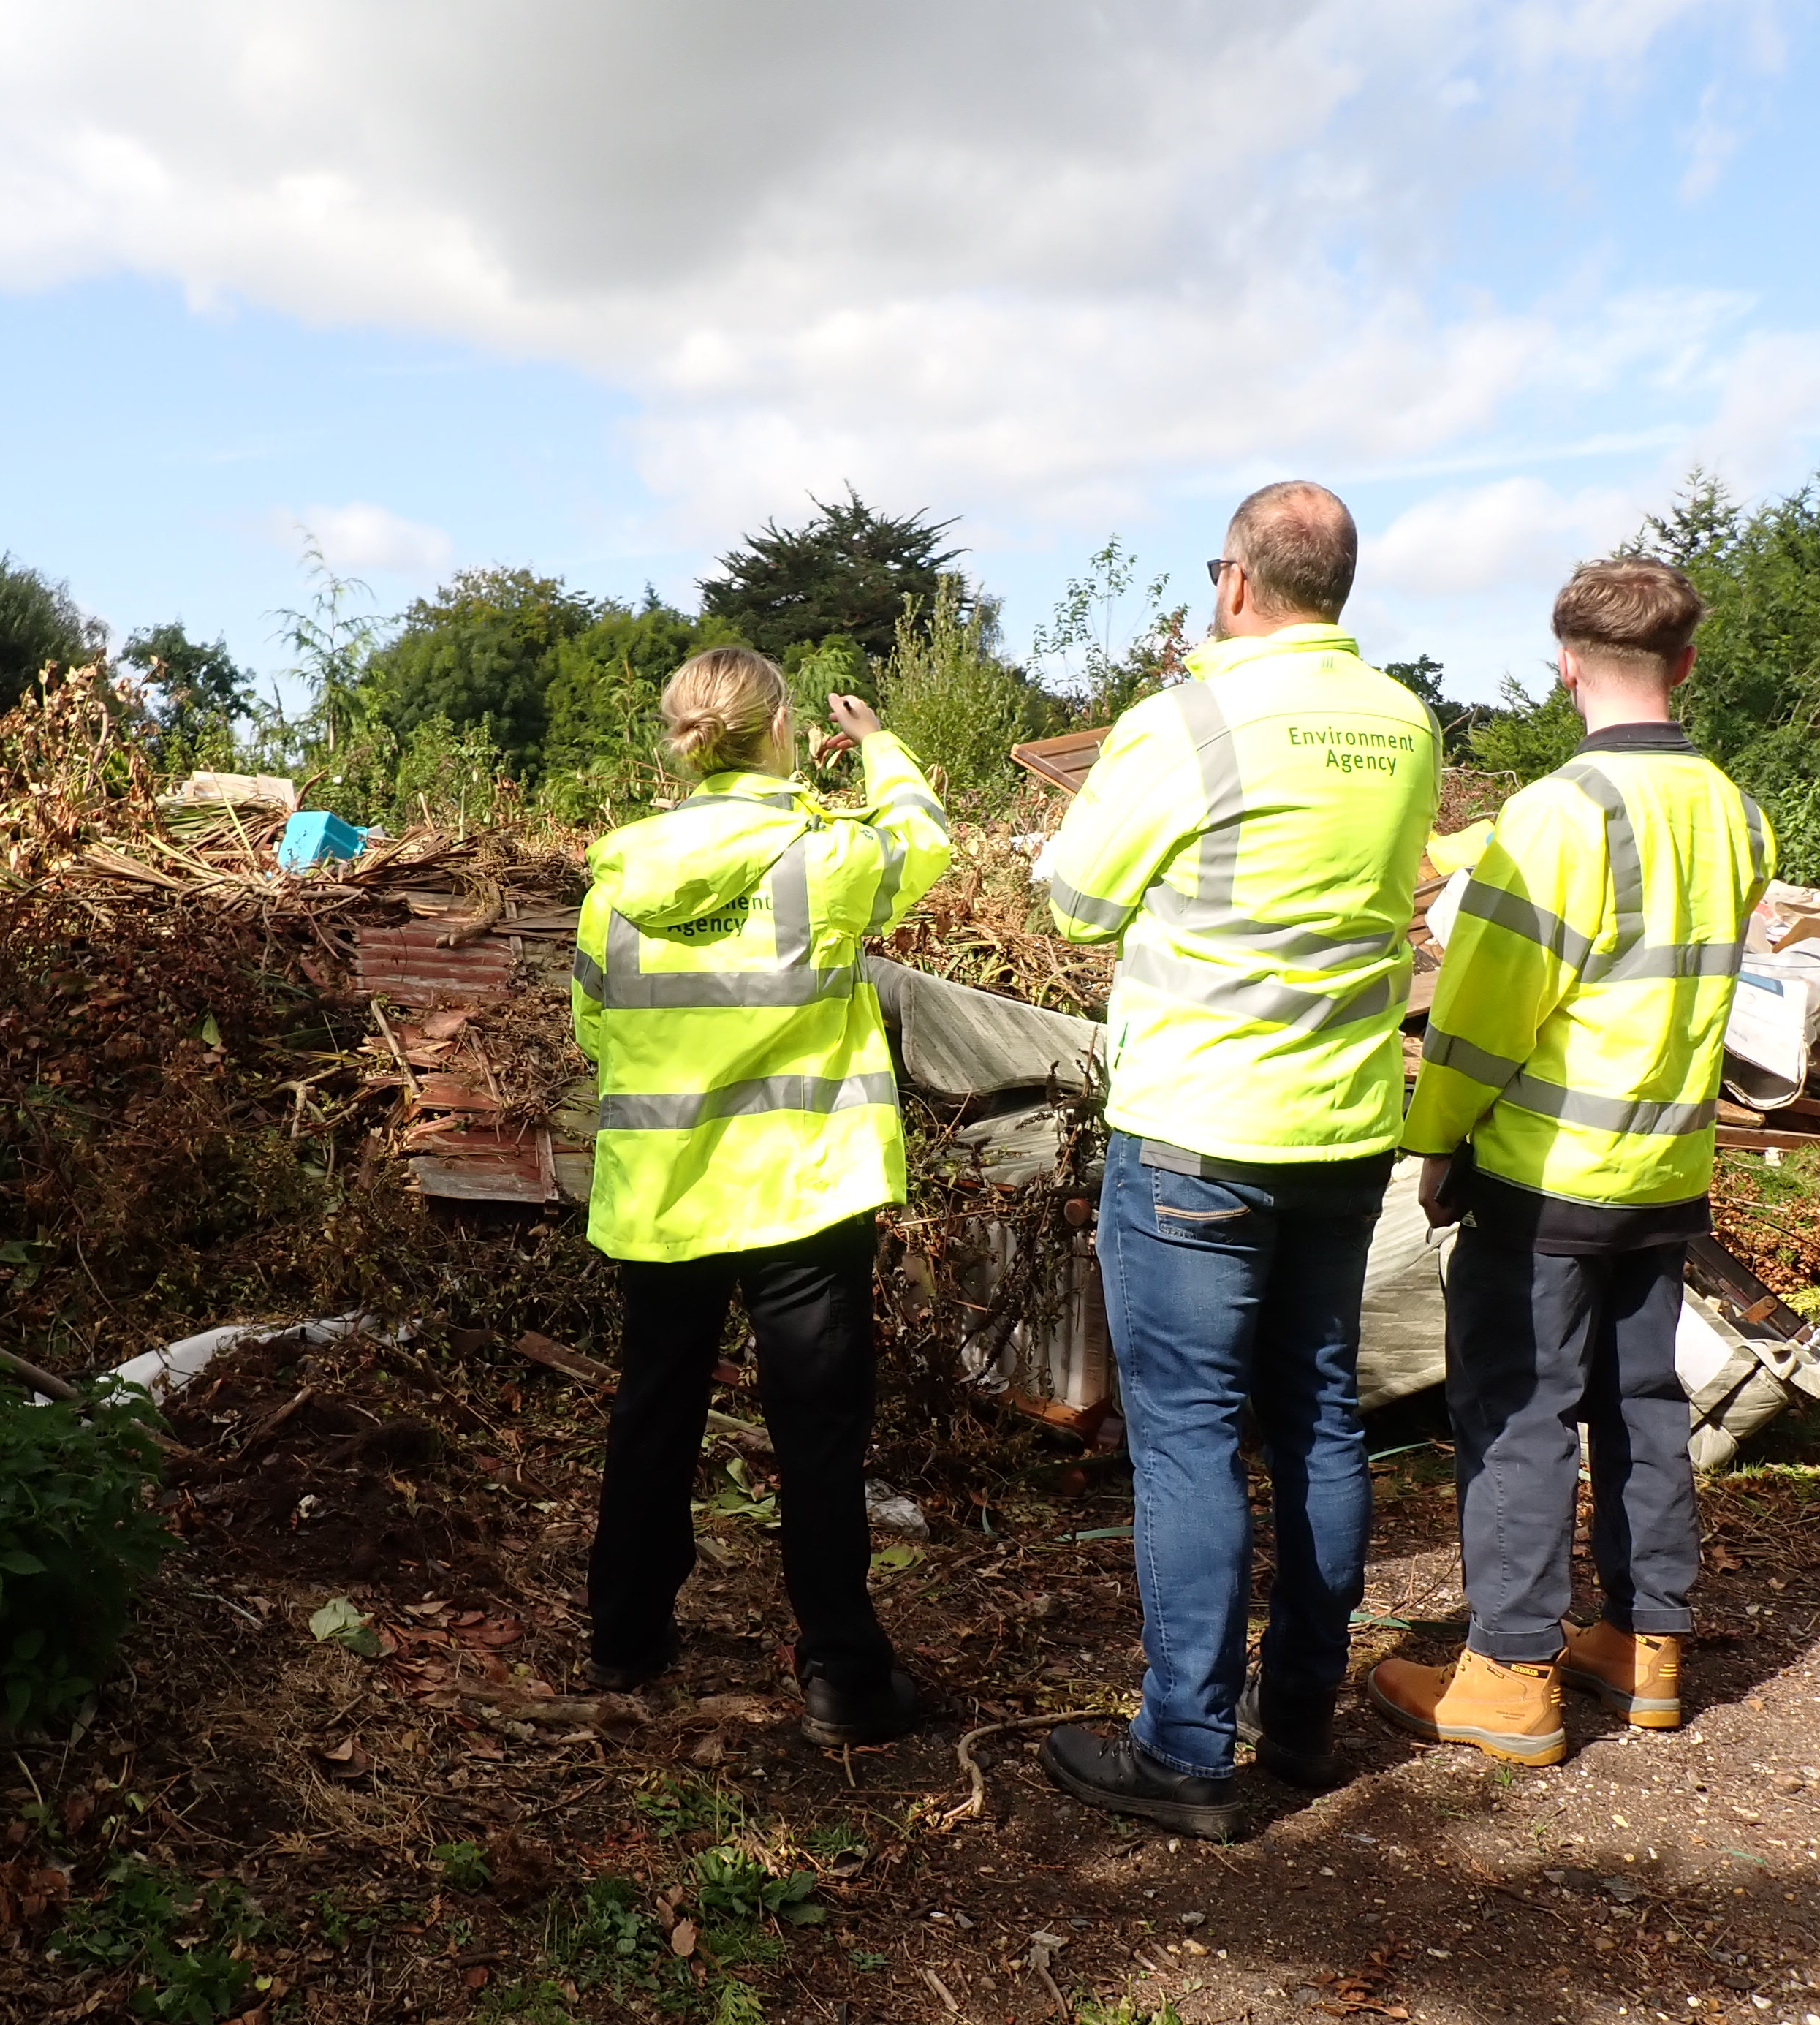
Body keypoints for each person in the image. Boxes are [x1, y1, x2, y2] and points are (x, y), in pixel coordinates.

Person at [1033, 482, 1441, 1836]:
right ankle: (1300, 1720)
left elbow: (1079, 900)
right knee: (1324, 1418)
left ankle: (1188, 1750)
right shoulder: (1403, 725)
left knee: (1192, 1439)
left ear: (1237, 582)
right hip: (1342, 1128)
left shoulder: (1190, 718)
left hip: (1202, 1129)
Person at [1368, 557, 1772, 1765]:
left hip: (1548, 1178)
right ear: (1686, 665)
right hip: (1665, 1176)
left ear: (1564, 663)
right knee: (1643, 1406)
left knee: (1517, 1414)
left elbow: (1484, 1014)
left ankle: (1509, 1674)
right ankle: (1645, 1648)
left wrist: (1436, 1142)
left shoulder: (1559, 813)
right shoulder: (1735, 810)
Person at [572, 645, 951, 1746]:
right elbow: (925, 843)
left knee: (653, 1414)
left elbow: (595, 1028)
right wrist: (880, 746)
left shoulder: (617, 883)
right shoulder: (824, 861)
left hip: (665, 1197)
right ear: (782, 727)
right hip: (803, 1191)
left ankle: (625, 1639)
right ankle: (843, 1677)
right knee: (819, 1436)